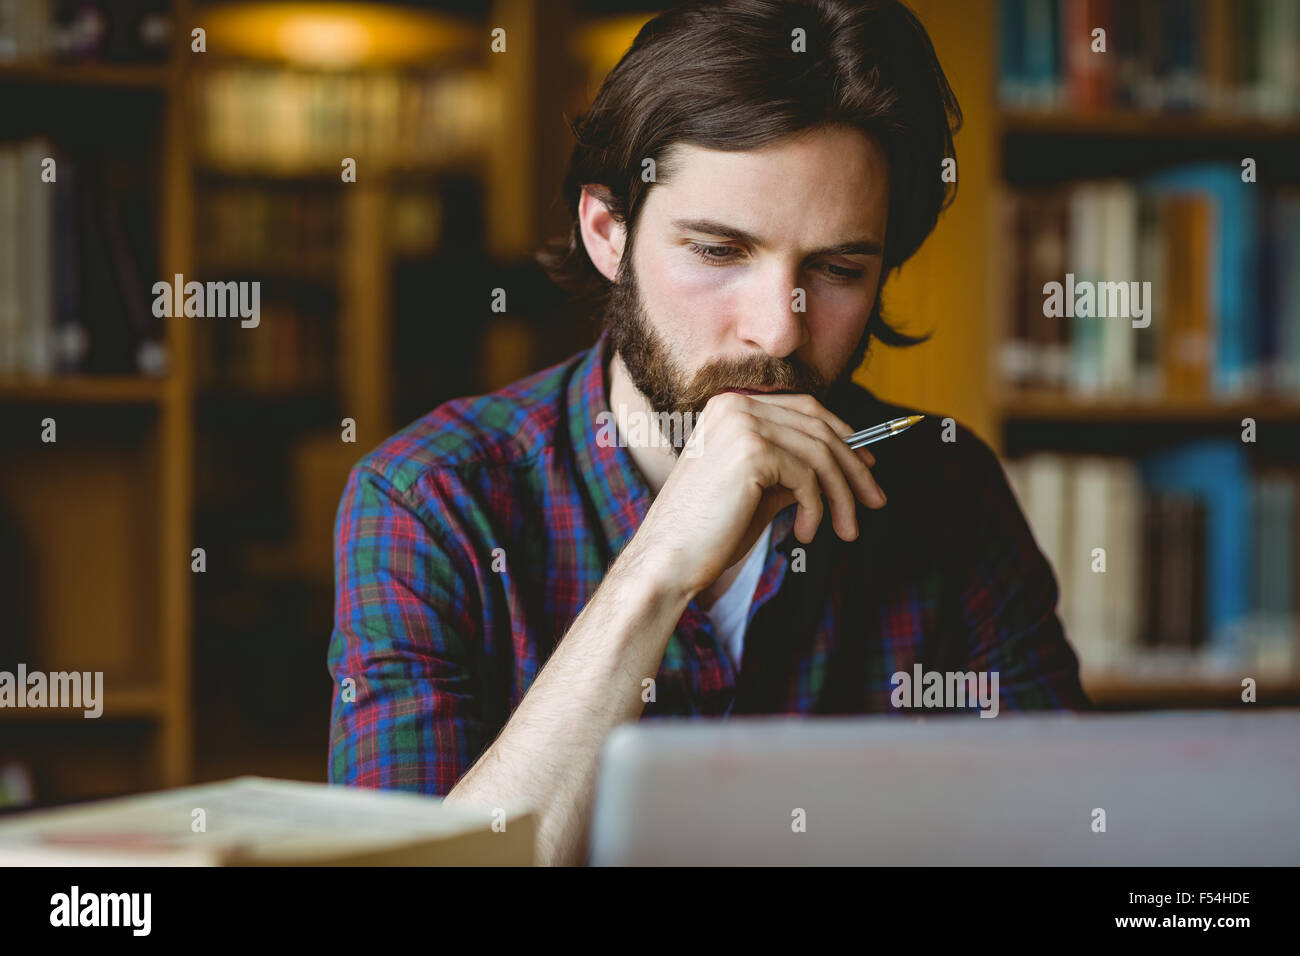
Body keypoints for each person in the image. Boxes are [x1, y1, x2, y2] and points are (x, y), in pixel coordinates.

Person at [328, 0, 1088, 866]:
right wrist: (655, 572)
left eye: (838, 270)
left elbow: (1068, 838)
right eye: (720, 252)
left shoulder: (946, 489)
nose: (779, 331)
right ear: (607, 233)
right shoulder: (430, 500)